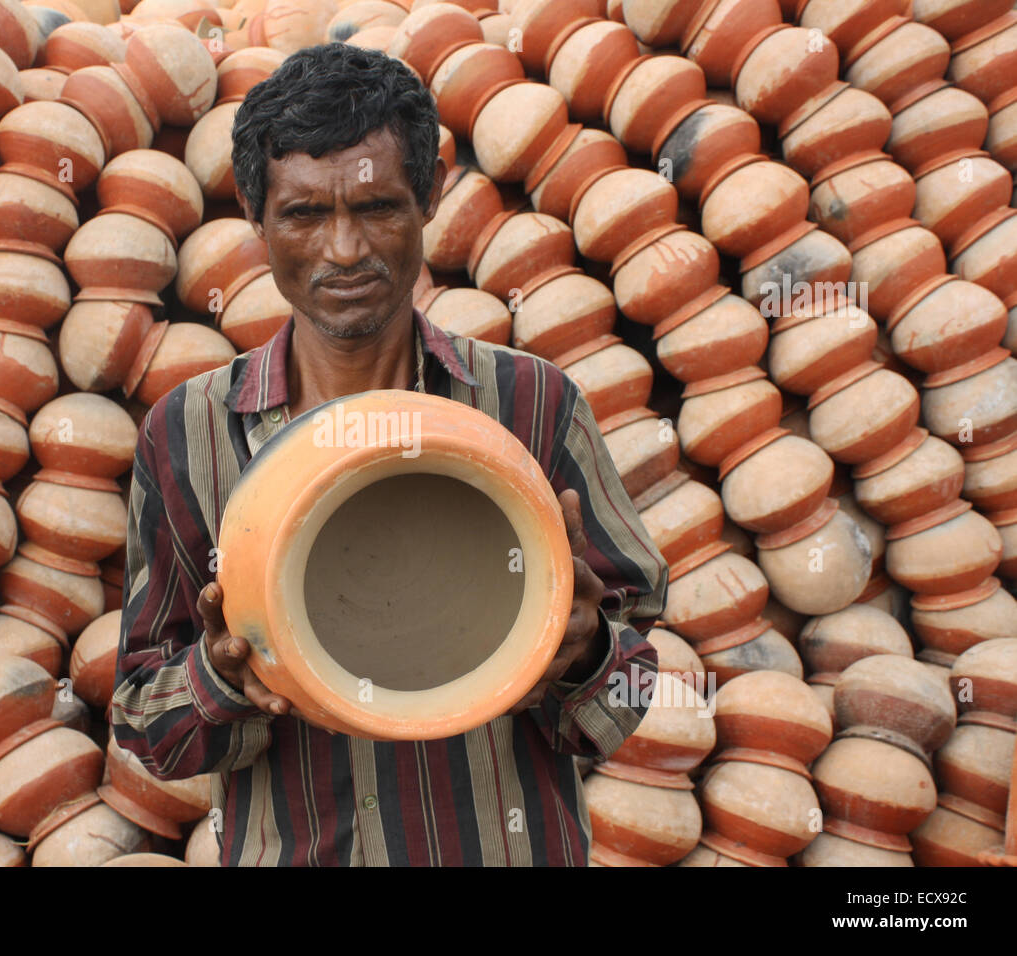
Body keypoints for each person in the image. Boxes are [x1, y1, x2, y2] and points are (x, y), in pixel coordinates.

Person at [111, 42, 667, 866]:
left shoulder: (532, 406)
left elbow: (628, 695)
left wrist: (584, 652)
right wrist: (223, 679)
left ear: (430, 197)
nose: (344, 251)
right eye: (303, 214)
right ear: (256, 218)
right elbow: (143, 726)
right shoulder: (189, 433)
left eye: (377, 207)